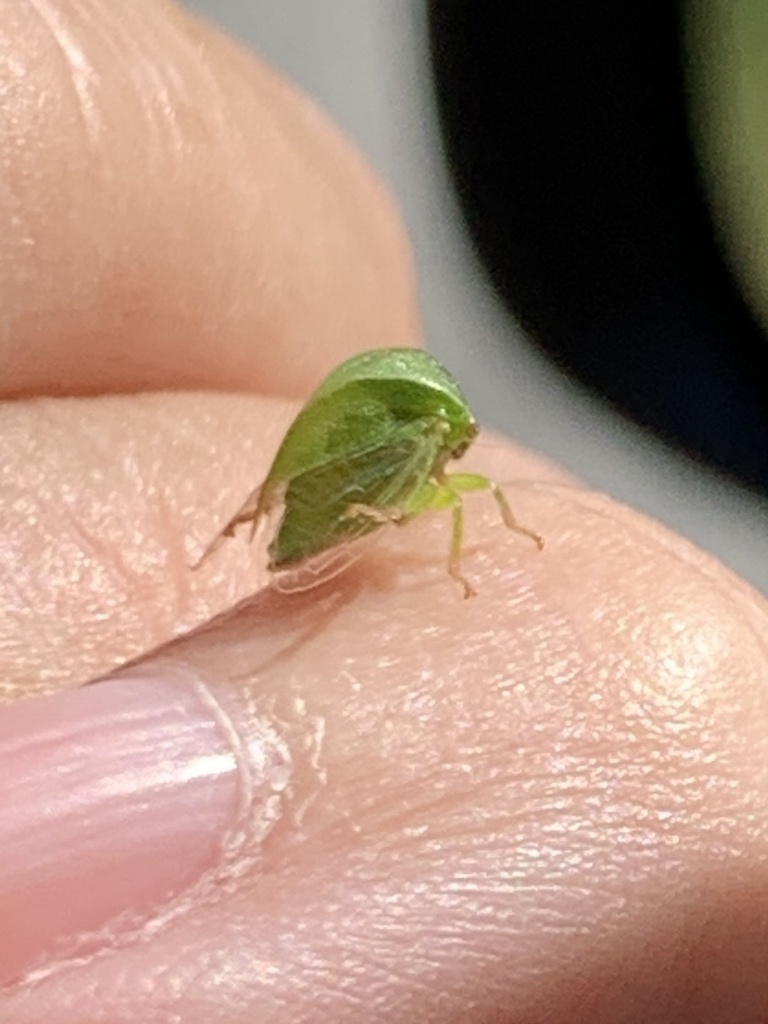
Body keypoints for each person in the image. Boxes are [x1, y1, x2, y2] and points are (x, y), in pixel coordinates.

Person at [1, 2, 766, 1021]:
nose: (457, 458)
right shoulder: (418, 445)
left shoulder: (443, 447)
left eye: (450, 444)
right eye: (450, 442)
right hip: (332, 488)